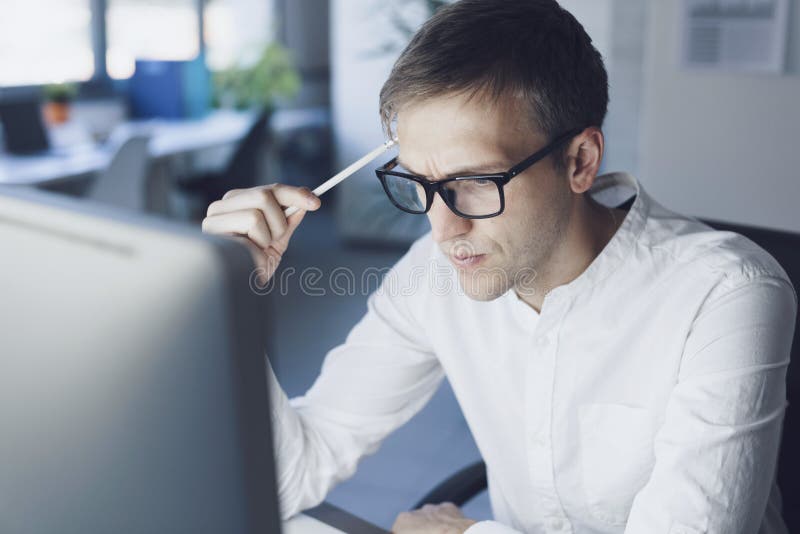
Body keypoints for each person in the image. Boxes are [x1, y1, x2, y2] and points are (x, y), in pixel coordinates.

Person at [200, 1, 797, 532]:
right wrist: (222, 304)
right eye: (420, 184)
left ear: (580, 161)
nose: (443, 230)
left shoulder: (726, 293)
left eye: (476, 182)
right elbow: (291, 478)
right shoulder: (432, 273)